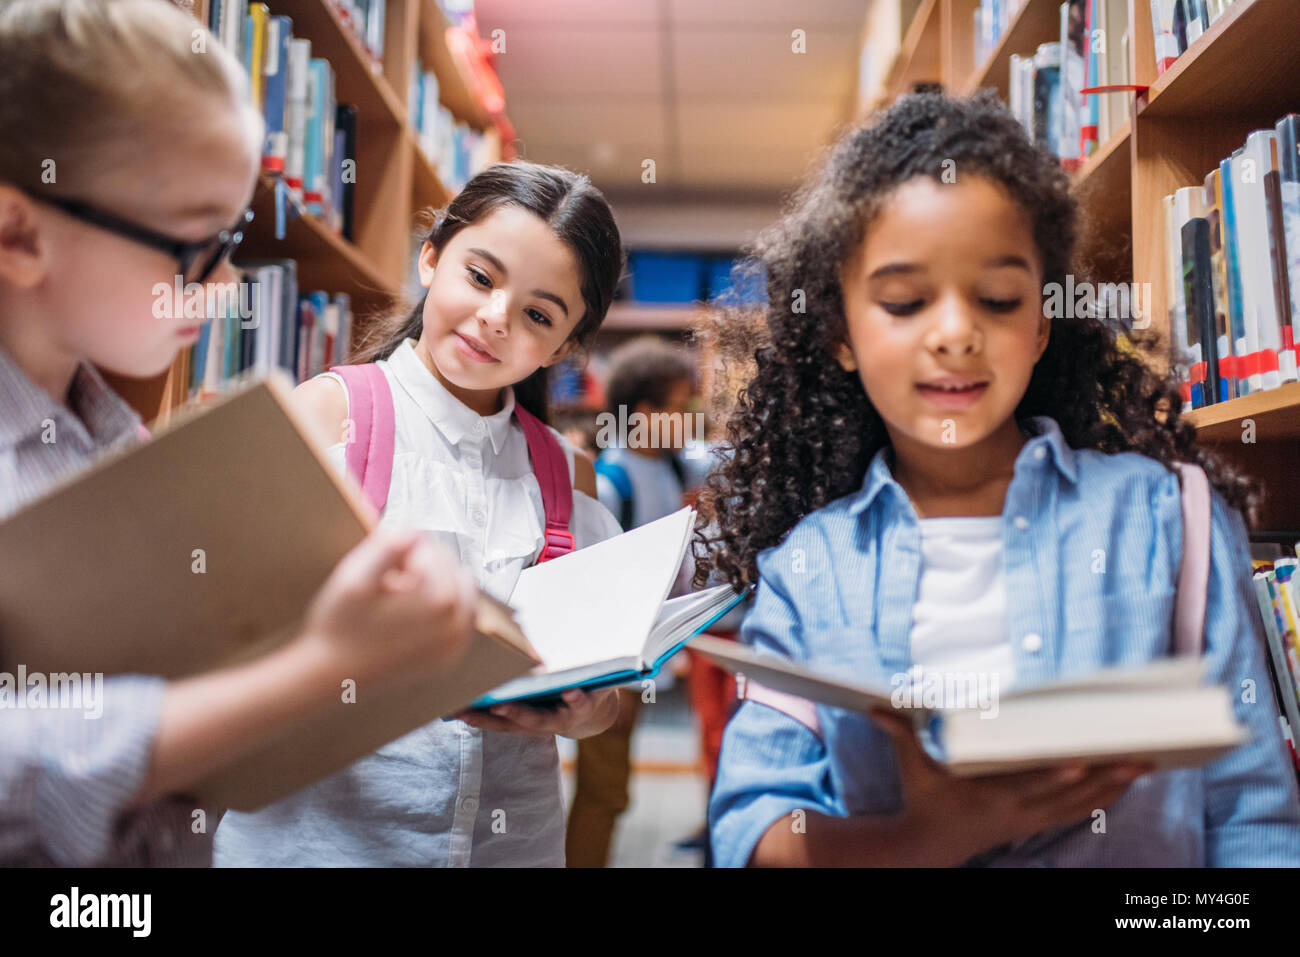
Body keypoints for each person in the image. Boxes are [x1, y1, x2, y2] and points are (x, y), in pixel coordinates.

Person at [695, 89, 1300, 867]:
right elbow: (754, 826)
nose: (955, 333)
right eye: (907, 301)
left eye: (998, 298)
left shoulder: (1169, 519)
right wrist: (933, 836)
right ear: (841, 332)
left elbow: (1252, 820)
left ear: (1040, 323)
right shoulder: (809, 571)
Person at [0, 0, 475, 866]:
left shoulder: (115, 440)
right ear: (18, 233)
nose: (223, 289)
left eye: (234, 239)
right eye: (191, 247)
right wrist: (318, 665)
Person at [216, 162, 627, 867]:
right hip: (321, 843)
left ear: (562, 347)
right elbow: (224, 632)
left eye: (538, 314)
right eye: (480, 276)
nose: (496, 318)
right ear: (431, 256)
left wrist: (589, 710)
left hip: (514, 842)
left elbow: (604, 689)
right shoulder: (325, 415)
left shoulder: (568, 474)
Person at [565, 336, 701, 867]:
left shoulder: (671, 470)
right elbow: (594, 593)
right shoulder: (611, 482)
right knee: (606, 793)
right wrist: (611, 685)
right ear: (645, 413)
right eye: (681, 407)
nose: (692, 418)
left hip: (645, 659)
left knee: (613, 790)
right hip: (612, 671)